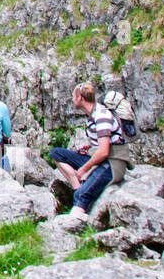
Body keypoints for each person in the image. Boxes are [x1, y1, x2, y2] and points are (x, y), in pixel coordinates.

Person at [49, 82, 129, 220]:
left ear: (80, 98)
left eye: (74, 97)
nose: (73, 100)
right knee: (56, 153)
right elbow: (105, 140)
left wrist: (83, 169)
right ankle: (78, 187)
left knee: (81, 196)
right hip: (102, 159)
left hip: (112, 163)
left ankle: (74, 221)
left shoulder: (101, 116)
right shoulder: (92, 114)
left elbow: (104, 151)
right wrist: (89, 145)